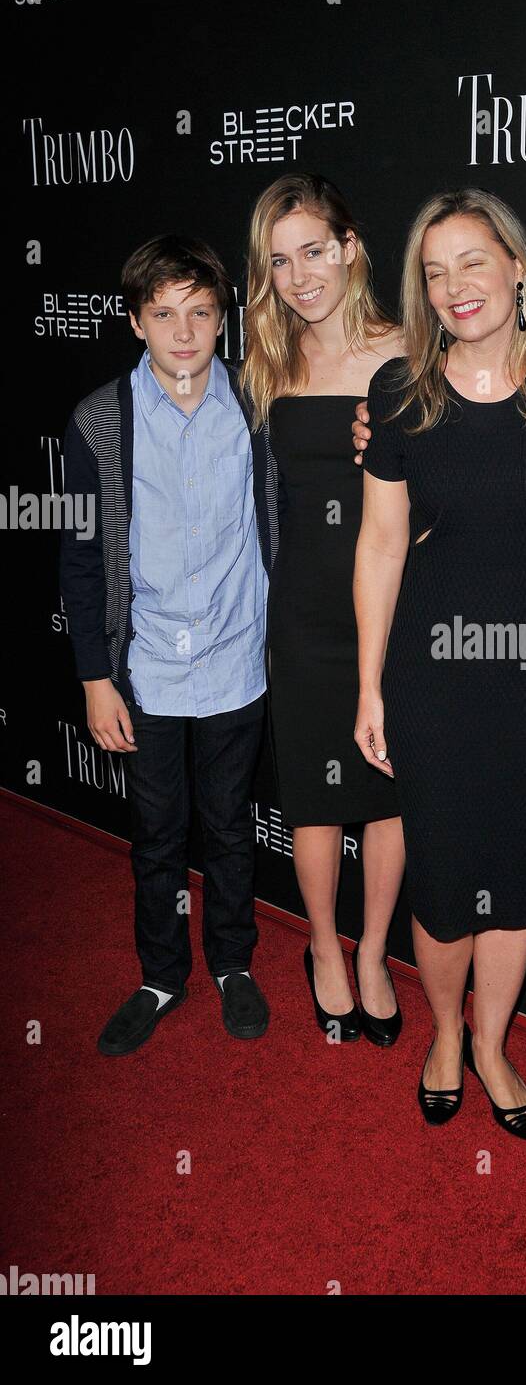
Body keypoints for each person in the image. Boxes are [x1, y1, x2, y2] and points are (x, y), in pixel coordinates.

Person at [353, 188, 526, 1138]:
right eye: (435, 272)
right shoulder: (401, 393)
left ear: (517, 267)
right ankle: (444, 1035)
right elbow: (379, 543)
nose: (455, 288)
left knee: (518, 875)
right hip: (432, 677)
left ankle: (493, 1044)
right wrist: (368, 685)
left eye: (473, 263)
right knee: (445, 881)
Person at [60, 235, 279, 1054]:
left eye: (200, 312)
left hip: (236, 659)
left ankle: (232, 963)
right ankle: (160, 974)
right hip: (146, 670)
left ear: (224, 318)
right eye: (163, 314)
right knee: (156, 837)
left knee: (227, 827)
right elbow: (80, 555)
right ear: (134, 322)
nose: (183, 332)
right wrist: (93, 676)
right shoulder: (100, 421)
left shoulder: (260, 401)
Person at [241, 174, 407, 1046]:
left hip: (389, 609)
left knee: (386, 794)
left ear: (349, 247)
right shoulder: (266, 364)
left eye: (313, 250)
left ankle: (376, 951)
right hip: (301, 614)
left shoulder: (408, 351)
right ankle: (326, 951)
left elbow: (447, 492)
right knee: (313, 795)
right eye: (279, 261)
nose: (299, 275)